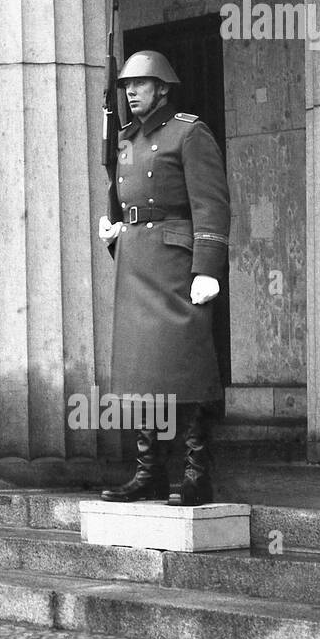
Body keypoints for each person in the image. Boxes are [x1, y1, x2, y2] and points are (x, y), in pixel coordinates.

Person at [98, 51, 230, 505]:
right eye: (126, 85)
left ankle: (196, 471)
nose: (130, 92)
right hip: (137, 261)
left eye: (140, 83)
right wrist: (116, 233)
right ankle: (149, 471)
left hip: (176, 263)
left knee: (185, 366)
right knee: (143, 371)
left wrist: (208, 267)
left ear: (163, 88)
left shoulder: (189, 133)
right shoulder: (125, 139)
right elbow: (130, 203)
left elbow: (211, 203)